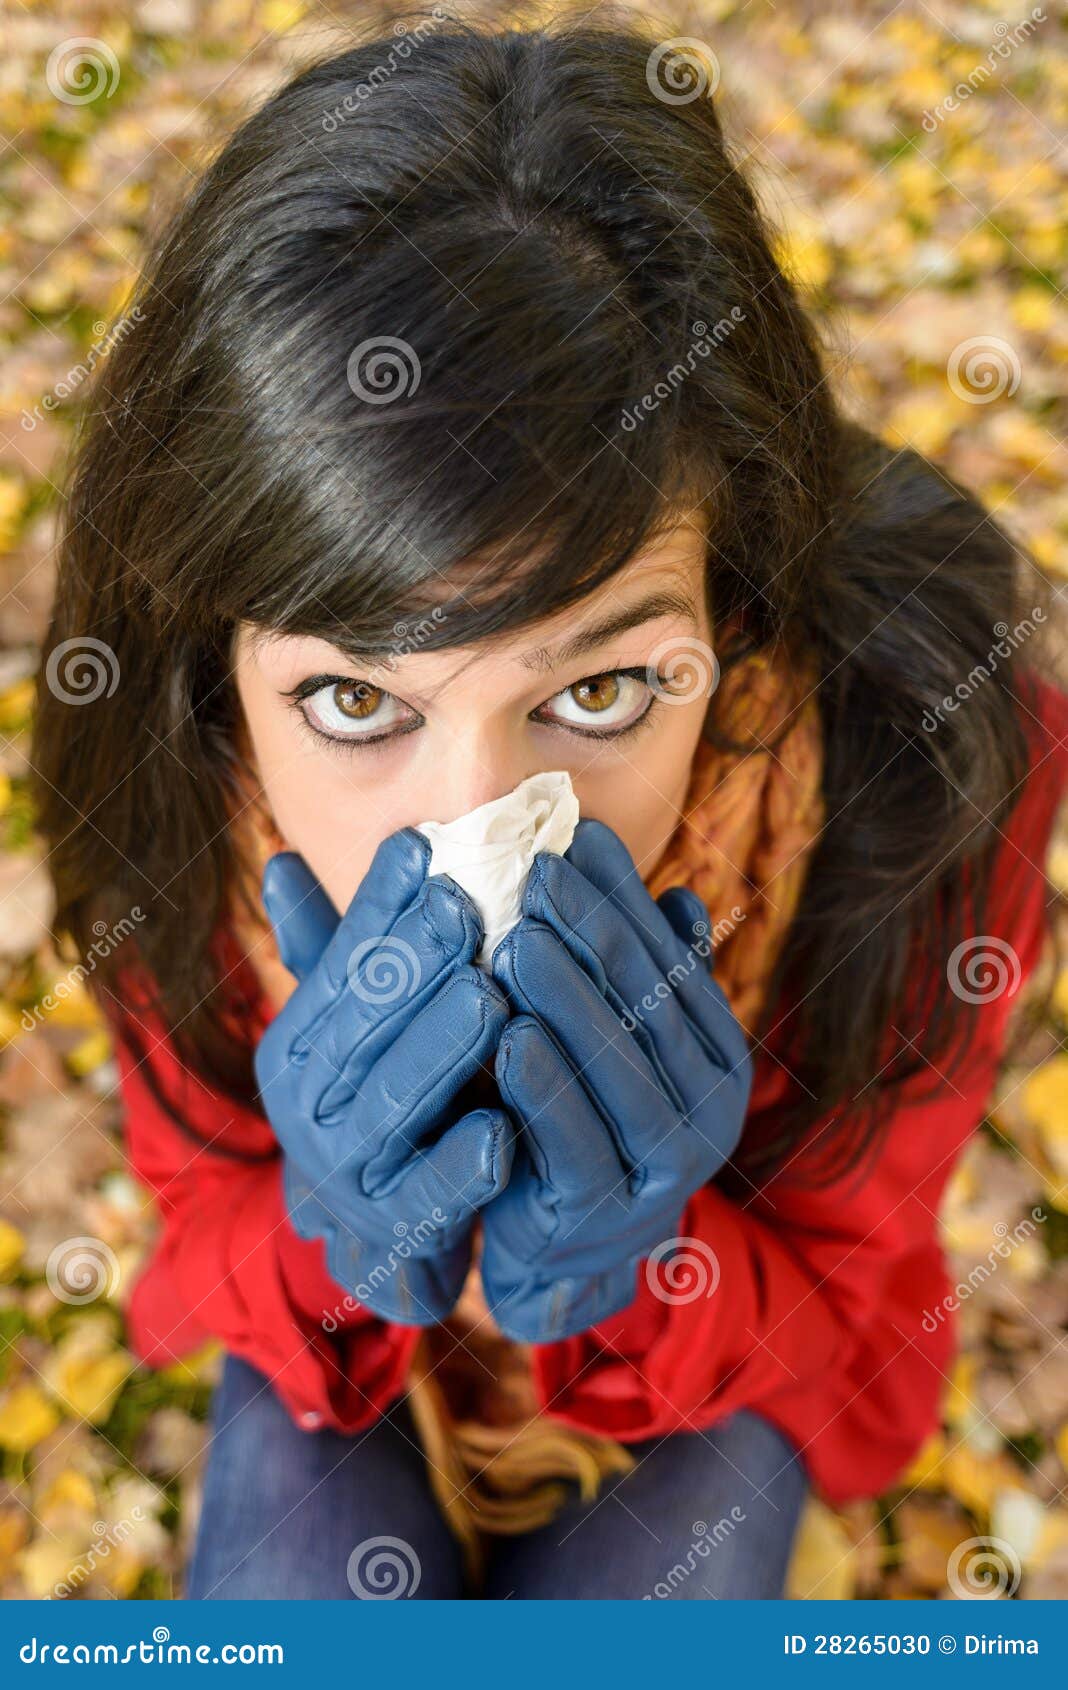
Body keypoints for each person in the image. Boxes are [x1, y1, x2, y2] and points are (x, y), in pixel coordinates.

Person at [30, 14, 1067, 1600]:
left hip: (712, 1376)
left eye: (599, 692)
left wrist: (648, 1257)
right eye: (356, 701)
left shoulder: (927, 751)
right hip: (343, 1358)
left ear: (739, 613)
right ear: (219, 653)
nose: (477, 834)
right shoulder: (166, 752)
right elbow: (187, 1265)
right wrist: (329, 1226)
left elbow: (860, 1378)